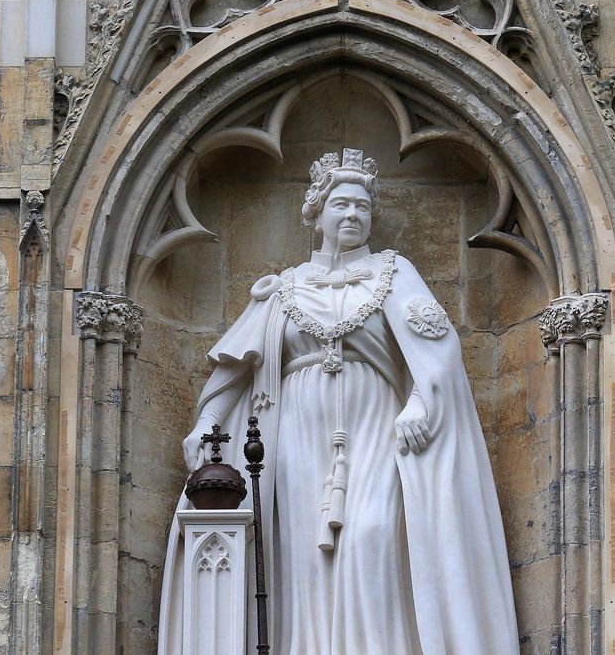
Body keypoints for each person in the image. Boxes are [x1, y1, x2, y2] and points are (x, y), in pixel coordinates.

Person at [158, 149, 519, 654]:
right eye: (341, 206)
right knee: (303, 555)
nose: (352, 215)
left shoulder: (393, 273)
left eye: (362, 208)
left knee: (372, 536)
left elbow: (438, 349)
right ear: (317, 213)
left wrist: (421, 401)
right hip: (296, 434)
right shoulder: (283, 288)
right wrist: (207, 425)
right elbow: (236, 368)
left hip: (376, 424)